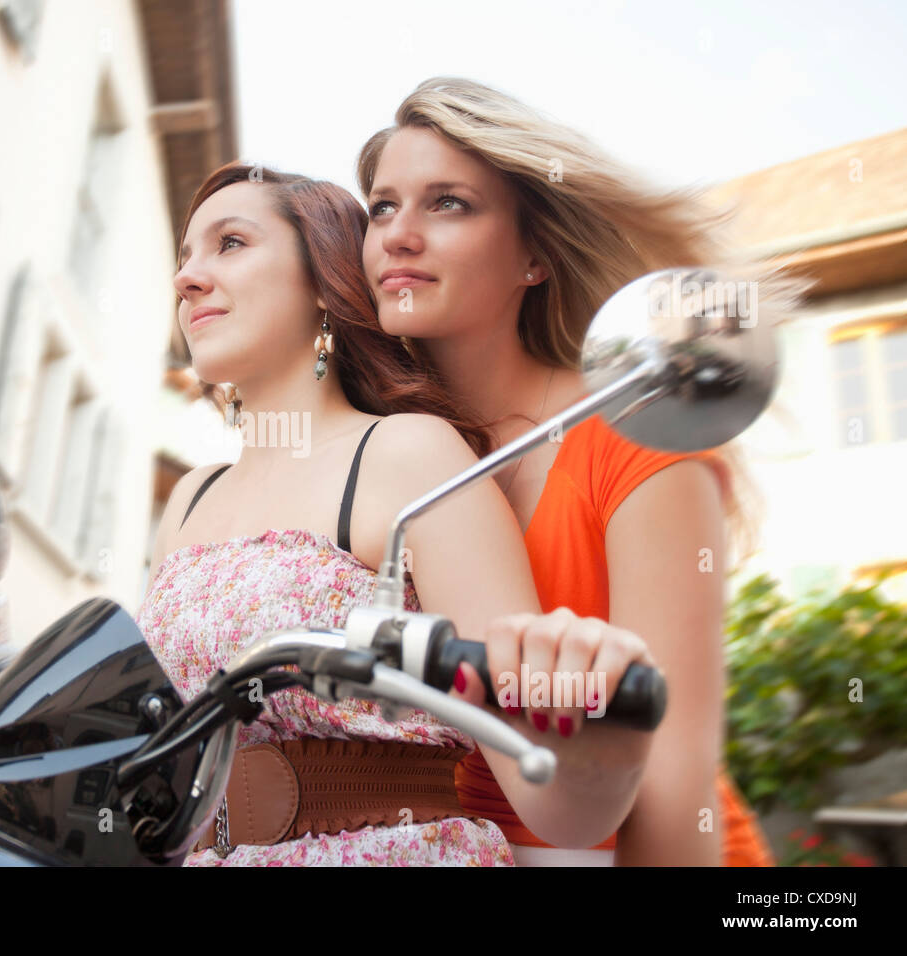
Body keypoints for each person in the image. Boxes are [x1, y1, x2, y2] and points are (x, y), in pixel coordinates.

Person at [138, 161, 663, 866]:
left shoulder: (408, 454)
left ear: (324, 280)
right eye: (185, 257)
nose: (188, 277)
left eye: (230, 243)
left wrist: (610, 751)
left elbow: (546, 790)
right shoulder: (188, 499)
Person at [357, 76, 786, 866]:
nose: (399, 235)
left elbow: (669, 777)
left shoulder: (637, 433)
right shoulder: (383, 454)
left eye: (447, 202)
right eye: (382, 206)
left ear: (535, 256)